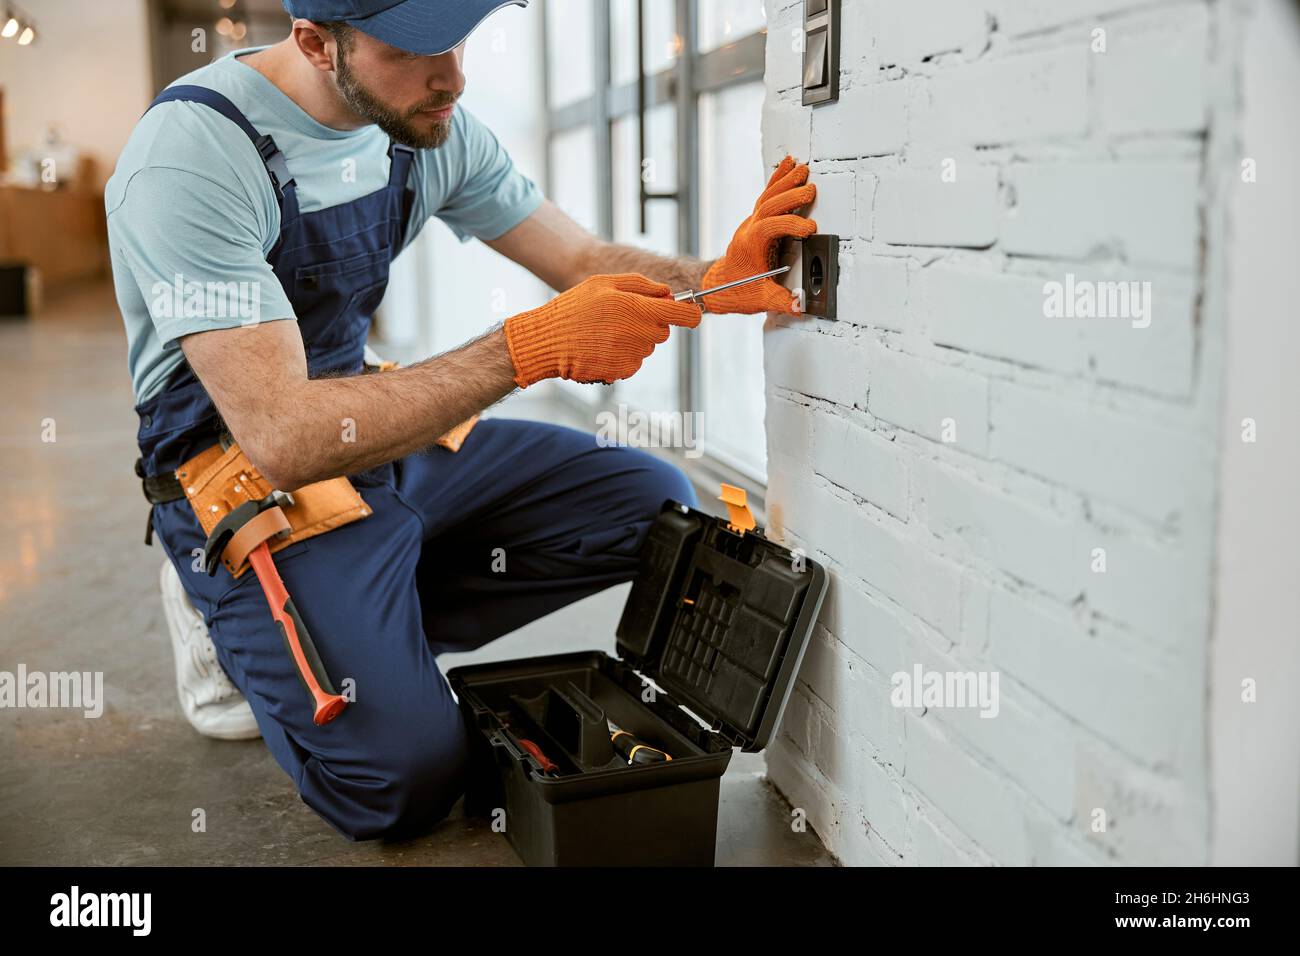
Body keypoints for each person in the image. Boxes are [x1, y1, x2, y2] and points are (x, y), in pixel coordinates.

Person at [107, 0, 816, 840]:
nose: (452, 76)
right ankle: (228, 624)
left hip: (376, 433)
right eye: (413, 50)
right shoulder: (194, 155)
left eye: (458, 40)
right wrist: (524, 351)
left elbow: (580, 260)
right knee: (400, 783)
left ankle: (365, 626)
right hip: (250, 470)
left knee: (650, 505)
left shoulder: (422, 123)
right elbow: (284, 433)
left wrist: (714, 276)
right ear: (314, 42)